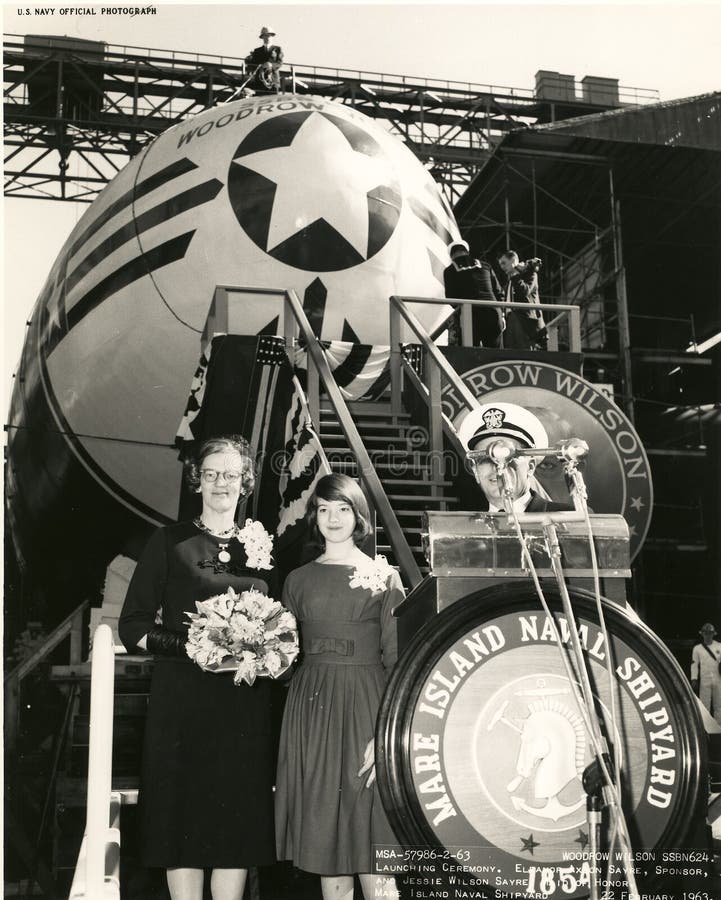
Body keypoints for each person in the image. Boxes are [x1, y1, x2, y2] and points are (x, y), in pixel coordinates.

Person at [118, 435, 278, 900]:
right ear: (198, 481)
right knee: (179, 823)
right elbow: (133, 626)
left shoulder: (260, 545)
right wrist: (193, 645)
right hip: (183, 702)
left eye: (230, 475)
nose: (219, 483)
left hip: (242, 706)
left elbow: (277, 621)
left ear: (245, 483)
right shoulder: (170, 541)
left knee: (235, 829)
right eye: (210, 474)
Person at [275, 473, 404, 900]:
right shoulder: (297, 581)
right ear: (313, 516)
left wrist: (385, 732)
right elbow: (286, 657)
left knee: (372, 843)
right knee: (327, 842)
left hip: (368, 707)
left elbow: (397, 659)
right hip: (312, 712)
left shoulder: (385, 578)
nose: (333, 518)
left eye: (343, 508)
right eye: (324, 509)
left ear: (358, 516)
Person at [457, 401, 574, 512]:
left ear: (531, 466)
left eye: (508, 456)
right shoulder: (467, 526)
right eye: (486, 458)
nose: (497, 466)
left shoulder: (568, 519)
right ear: (475, 470)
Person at [443, 239, 505, 347]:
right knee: (495, 355)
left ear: (452, 256)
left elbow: (451, 298)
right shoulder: (486, 266)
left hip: (470, 315)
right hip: (493, 313)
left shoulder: (449, 271)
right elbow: (499, 292)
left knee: (471, 356)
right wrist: (502, 315)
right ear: (467, 252)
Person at [498, 251, 548, 350]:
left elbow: (525, 291)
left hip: (524, 321)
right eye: (500, 265)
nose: (502, 267)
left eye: (504, 263)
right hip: (510, 320)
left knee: (524, 352)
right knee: (511, 353)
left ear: (513, 260)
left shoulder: (529, 274)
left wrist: (516, 275)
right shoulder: (510, 282)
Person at [691, 623, 721, 724]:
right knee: (705, 705)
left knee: (719, 705)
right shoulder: (697, 649)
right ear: (702, 634)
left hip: (718, 679)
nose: (708, 635)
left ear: (713, 634)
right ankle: (707, 727)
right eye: (706, 633)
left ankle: (719, 727)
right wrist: (694, 678)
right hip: (705, 680)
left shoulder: (719, 646)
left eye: (710, 633)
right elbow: (694, 664)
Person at [245, 26, 283, 93]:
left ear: (272, 36)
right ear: (262, 37)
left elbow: (279, 63)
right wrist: (261, 65)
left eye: (269, 36)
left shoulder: (278, 49)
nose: (267, 38)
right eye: (265, 36)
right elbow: (253, 65)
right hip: (260, 82)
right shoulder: (257, 51)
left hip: (273, 81)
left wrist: (271, 65)